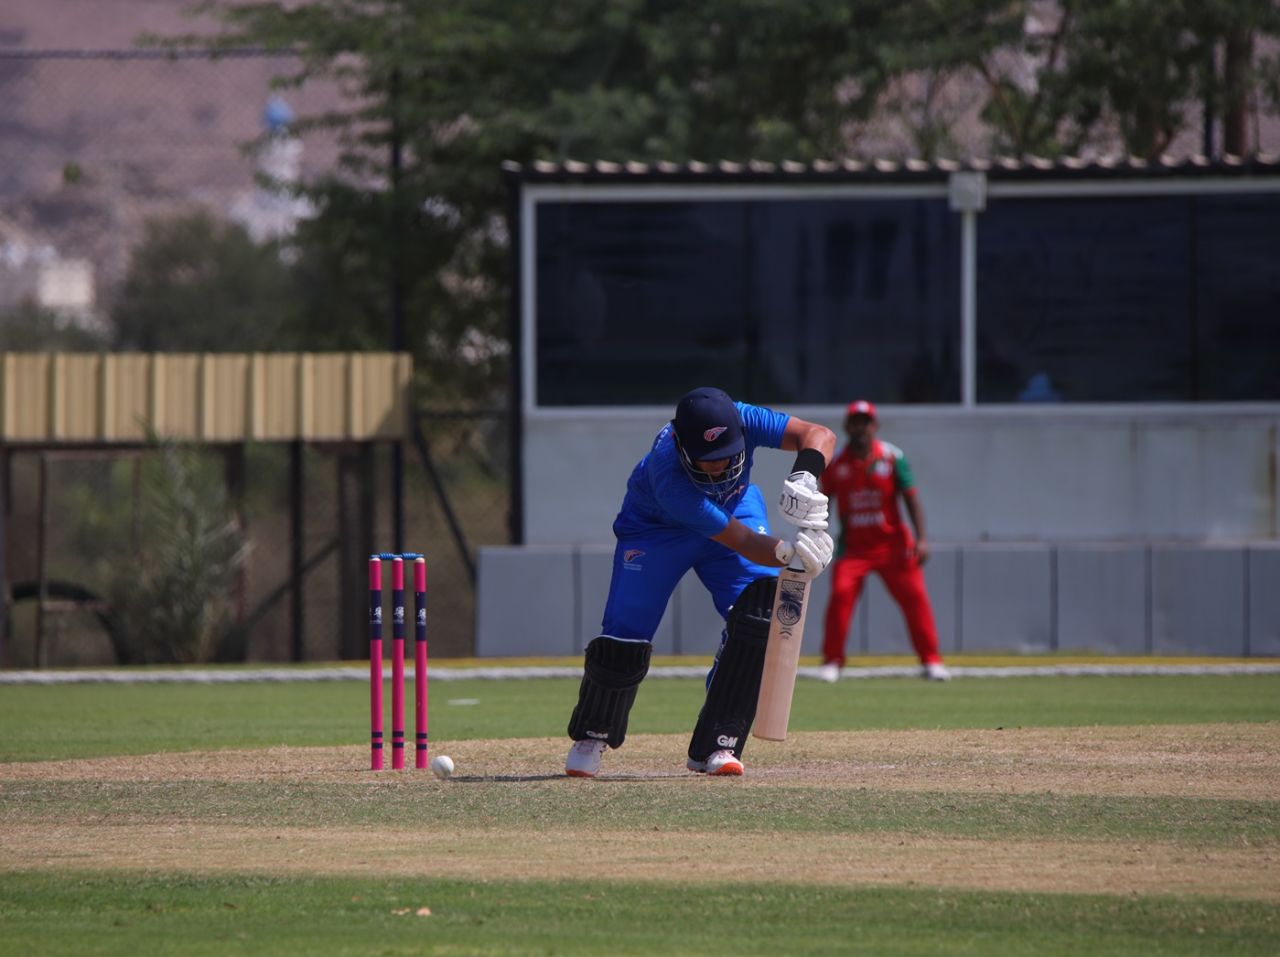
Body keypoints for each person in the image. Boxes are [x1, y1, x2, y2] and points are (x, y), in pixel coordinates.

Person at [565, 386, 837, 778]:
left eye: (727, 455)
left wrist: (805, 474)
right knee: (626, 632)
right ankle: (593, 733)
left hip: (735, 510)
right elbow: (744, 542)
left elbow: (819, 435)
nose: (719, 467)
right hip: (656, 530)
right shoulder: (668, 475)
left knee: (760, 611)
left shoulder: (743, 417)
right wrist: (796, 555)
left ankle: (719, 743)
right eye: (706, 460)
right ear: (680, 445)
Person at [819, 400, 950, 682]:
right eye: (855, 422)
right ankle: (832, 661)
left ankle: (931, 660)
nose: (861, 428)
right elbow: (824, 501)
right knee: (840, 597)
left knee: (916, 600)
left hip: (893, 547)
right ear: (847, 426)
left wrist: (922, 539)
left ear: (874, 426)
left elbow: (911, 498)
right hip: (853, 548)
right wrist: (819, 537)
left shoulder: (891, 457)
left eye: (866, 422)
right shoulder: (837, 463)